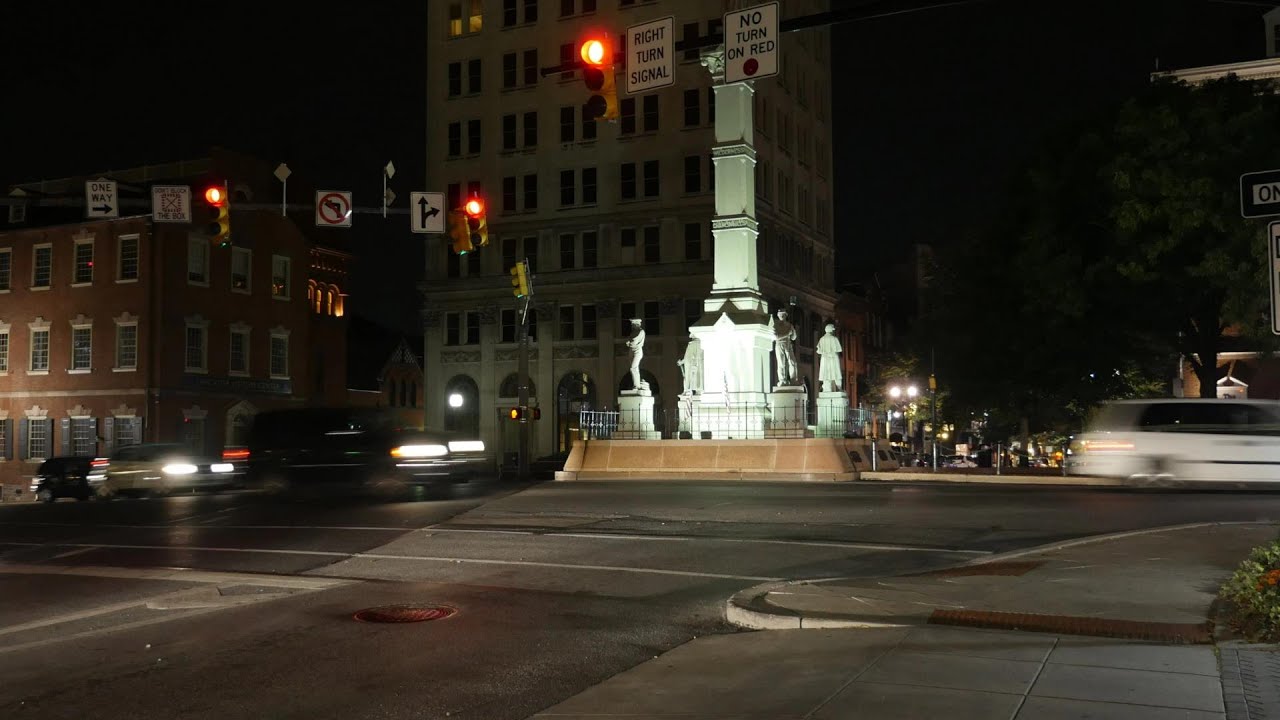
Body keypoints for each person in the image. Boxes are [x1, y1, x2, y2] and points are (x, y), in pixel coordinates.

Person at [769, 309, 798, 386]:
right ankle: (782, 380)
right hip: (779, 344)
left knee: (792, 362)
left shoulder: (789, 325)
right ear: (778, 315)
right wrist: (787, 334)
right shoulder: (775, 325)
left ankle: (793, 380)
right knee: (781, 363)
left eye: (783, 314)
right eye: (780, 314)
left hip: (788, 344)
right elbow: (776, 337)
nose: (781, 315)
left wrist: (793, 331)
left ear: (786, 315)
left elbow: (793, 338)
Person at [816, 322, 843, 392]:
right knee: (836, 374)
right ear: (831, 330)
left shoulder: (821, 339)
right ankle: (839, 389)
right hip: (833, 358)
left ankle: (827, 389)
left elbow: (819, 350)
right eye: (833, 330)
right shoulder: (834, 339)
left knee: (826, 375)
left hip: (825, 359)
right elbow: (838, 349)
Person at [625, 318, 649, 392]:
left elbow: (634, 341)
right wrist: (629, 342)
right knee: (634, 368)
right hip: (631, 351)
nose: (632, 326)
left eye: (633, 324)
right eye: (632, 325)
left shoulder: (641, 331)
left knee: (633, 368)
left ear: (637, 324)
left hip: (637, 351)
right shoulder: (633, 332)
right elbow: (629, 341)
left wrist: (629, 342)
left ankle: (637, 385)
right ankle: (637, 385)